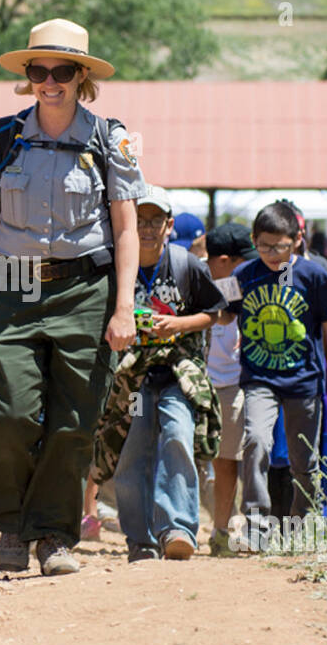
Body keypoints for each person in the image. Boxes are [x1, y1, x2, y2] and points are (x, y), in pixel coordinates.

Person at [0, 18, 145, 576]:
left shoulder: (111, 140)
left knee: (73, 423)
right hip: (12, 284)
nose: (50, 81)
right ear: (27, 76)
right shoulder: (3, 138)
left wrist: (123, 307)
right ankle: (11, 527)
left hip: (86, 286)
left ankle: (54, 537)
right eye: (39, 70)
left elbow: (127, 228)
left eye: (63, 70)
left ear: (81, 76)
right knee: (10, 413)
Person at [92, 186, 226, 562]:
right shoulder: (116, 265)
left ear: (169, 225)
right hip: (131, 381)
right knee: (133, 448)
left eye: (155, 220)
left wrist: (178, 324)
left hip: (176, 375)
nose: (147, 227)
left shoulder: (186, 264)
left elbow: (212, 312)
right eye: (139, 219)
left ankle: (178, 529)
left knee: (178, 436)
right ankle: (141, 539)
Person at [228, 201, 327, 550]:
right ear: (254, 240)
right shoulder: (245, 275)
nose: (272, 253)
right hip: (259, 378)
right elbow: (222, 314)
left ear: (297, 240)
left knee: (304, 461)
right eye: (264, 245)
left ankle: (304, 524)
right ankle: (255, 522)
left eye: (280, 245)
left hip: (304, 381)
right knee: (256, 441)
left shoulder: (313, 275)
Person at [201, 221, 256, 556]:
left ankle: (221, 530)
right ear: (223, 260)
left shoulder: (244, 285)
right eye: (240, 259)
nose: (247, 265)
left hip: (230, 385)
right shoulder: (198, 281)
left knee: (226, 461)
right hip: (197, 382)